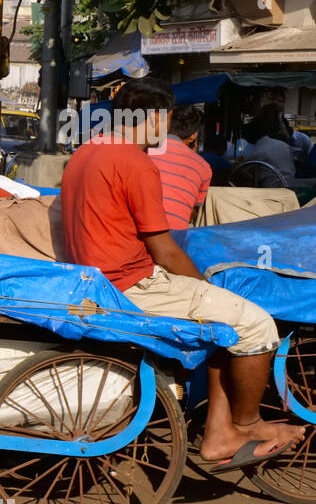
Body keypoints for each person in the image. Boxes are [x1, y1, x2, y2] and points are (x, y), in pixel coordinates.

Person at [61, 76, 304, 470]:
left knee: (224, 322)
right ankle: (247, 423)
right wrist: (202, 285)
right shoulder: (133, 161)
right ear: (157, 118)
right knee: (258, 325)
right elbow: (165, 249)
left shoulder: (87, 151)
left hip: (98, 280)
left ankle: (218, 431)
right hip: (133, 285)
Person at [148, 103, 211, 229]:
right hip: (175, 236)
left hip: (137, 231)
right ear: (194, 135)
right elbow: (191, 213)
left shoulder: (146, 151)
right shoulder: (204, 167)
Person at [243, 104, 297, 188]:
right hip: (287, 189)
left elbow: (244, 170)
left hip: (272, 191)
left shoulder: (260, 149)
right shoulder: (281, 145)